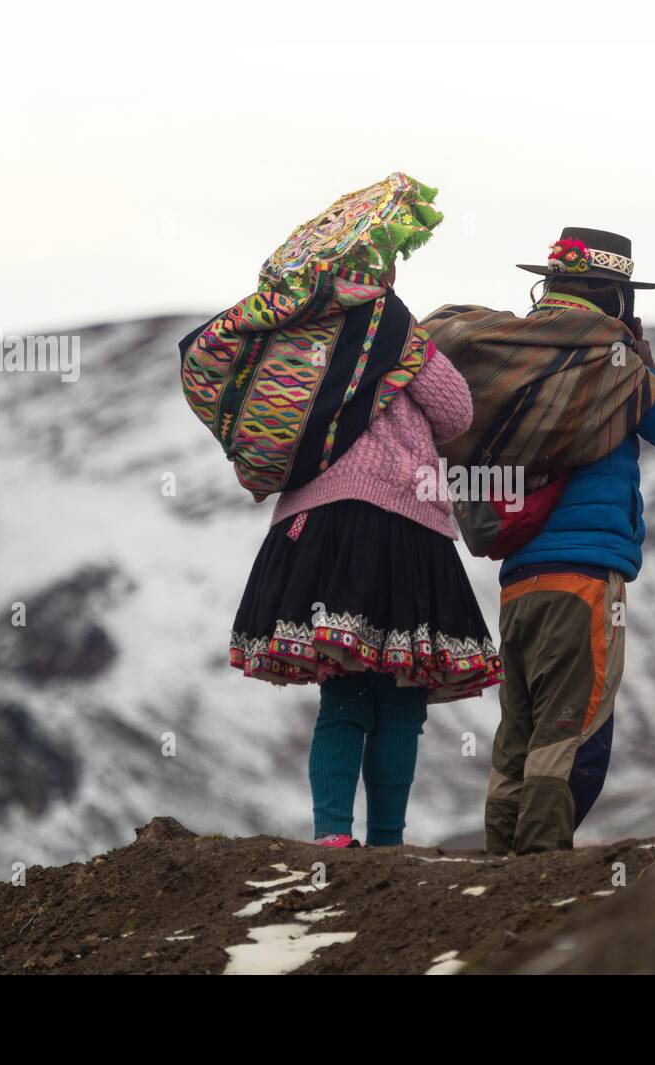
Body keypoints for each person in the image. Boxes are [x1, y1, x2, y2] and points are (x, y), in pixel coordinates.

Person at [180, 174, 502, 850]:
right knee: (400, 697)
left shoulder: (292, 333)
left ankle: (332, 836)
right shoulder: (391, 325)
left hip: (313, 525)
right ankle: (386, 845)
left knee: (345, 689)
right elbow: (456, 411)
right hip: (397, 520)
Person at [424, 227, 655, 854]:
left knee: (518, 735)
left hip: (518, 578)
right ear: (617, 298)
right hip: (585, 575)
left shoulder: (518, 356)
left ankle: (496, 871)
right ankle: (540, 869)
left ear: (549, 287)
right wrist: (639, 355)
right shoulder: (610, 360)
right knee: (573, 733)